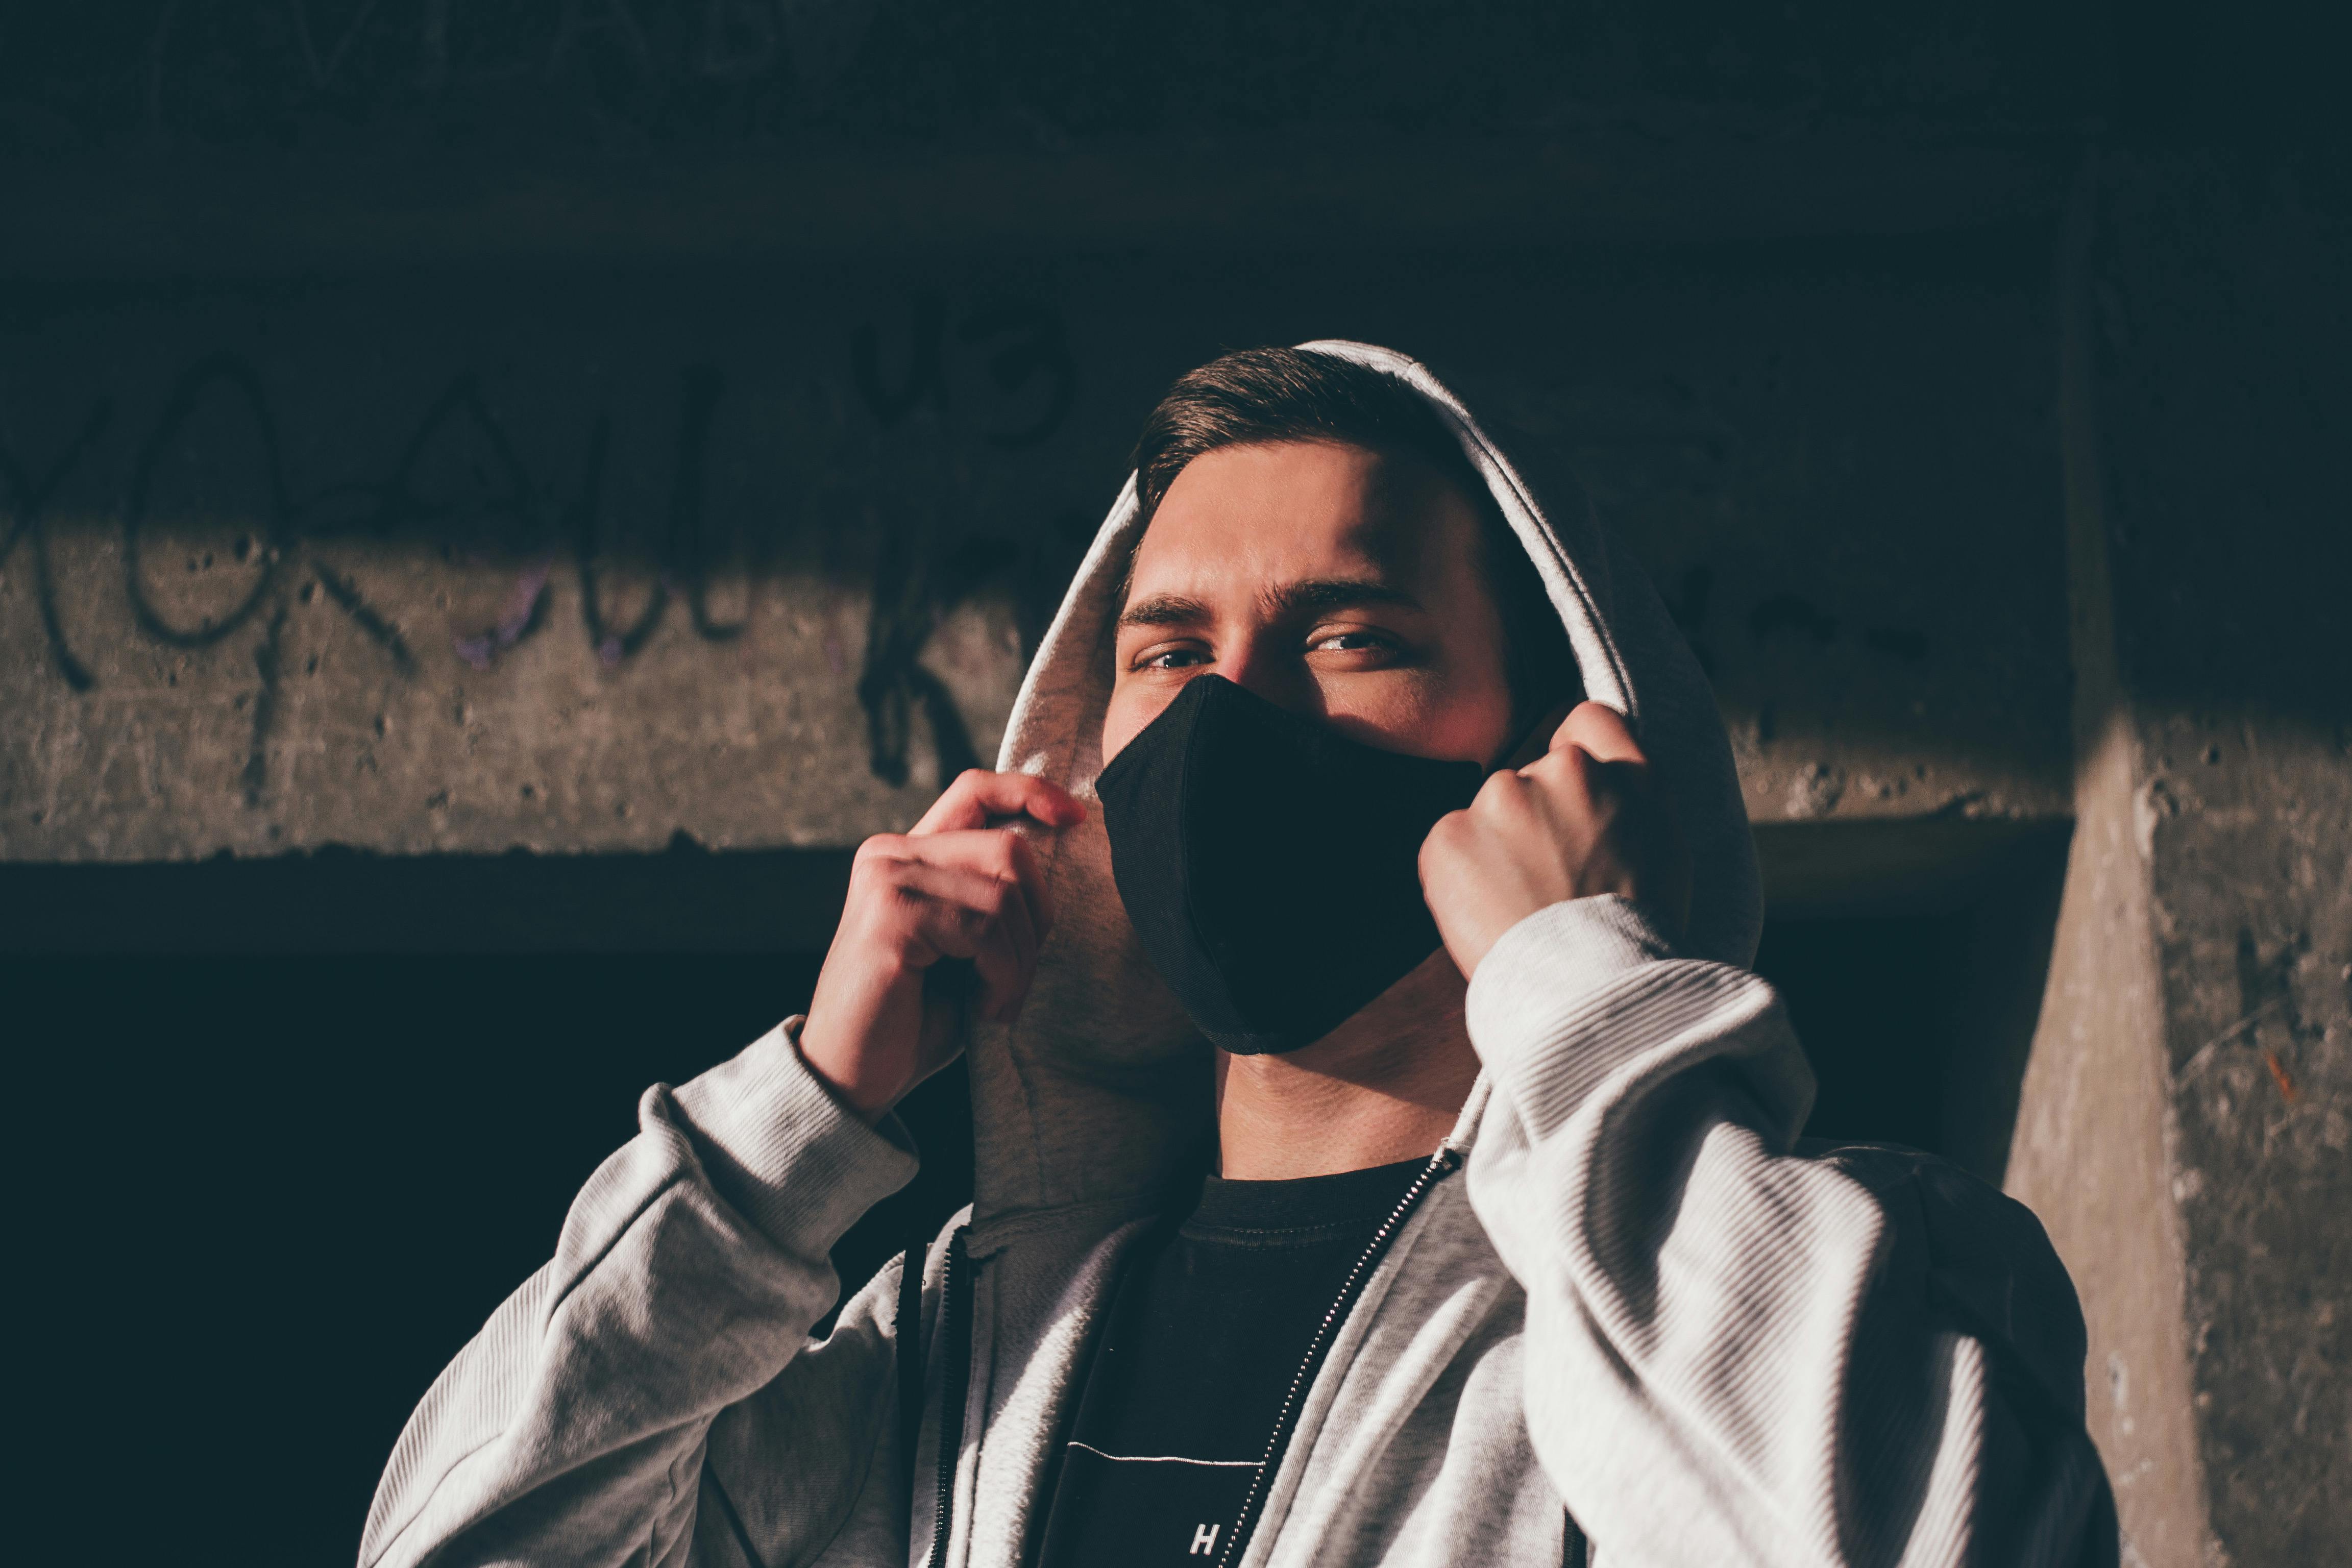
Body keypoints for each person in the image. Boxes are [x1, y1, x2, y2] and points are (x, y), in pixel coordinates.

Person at [359, 343, 2117, 1568]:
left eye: (1351, 634)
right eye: (1167, 650)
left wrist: (1588, 994)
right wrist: (794, 1126)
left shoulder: (1835, 1280)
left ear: (1560, 743)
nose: (1230, 716)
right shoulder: (945, 1368)